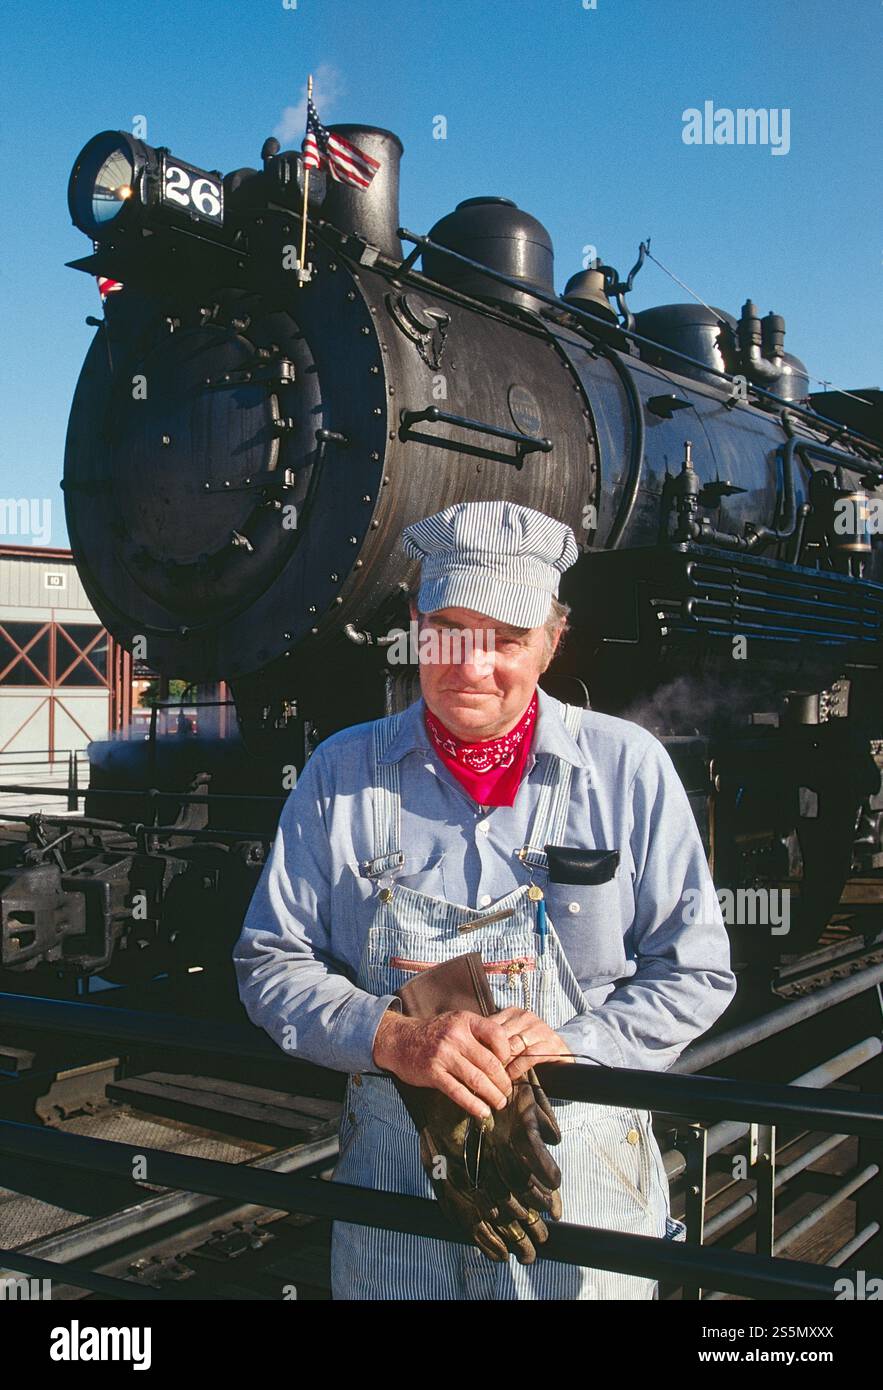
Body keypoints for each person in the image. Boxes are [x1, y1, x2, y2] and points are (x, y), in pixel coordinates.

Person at [233, 500, 736, 1300]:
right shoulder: (340, 773)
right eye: (448, 631)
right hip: (394, 1183)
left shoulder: (627, 769)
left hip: (583, 1172)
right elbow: (270, 961)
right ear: (413, 623)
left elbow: (696, 972)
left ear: (551, 640)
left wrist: (580, 1046)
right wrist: (392, 1039)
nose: (471, 665)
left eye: (505, 639)